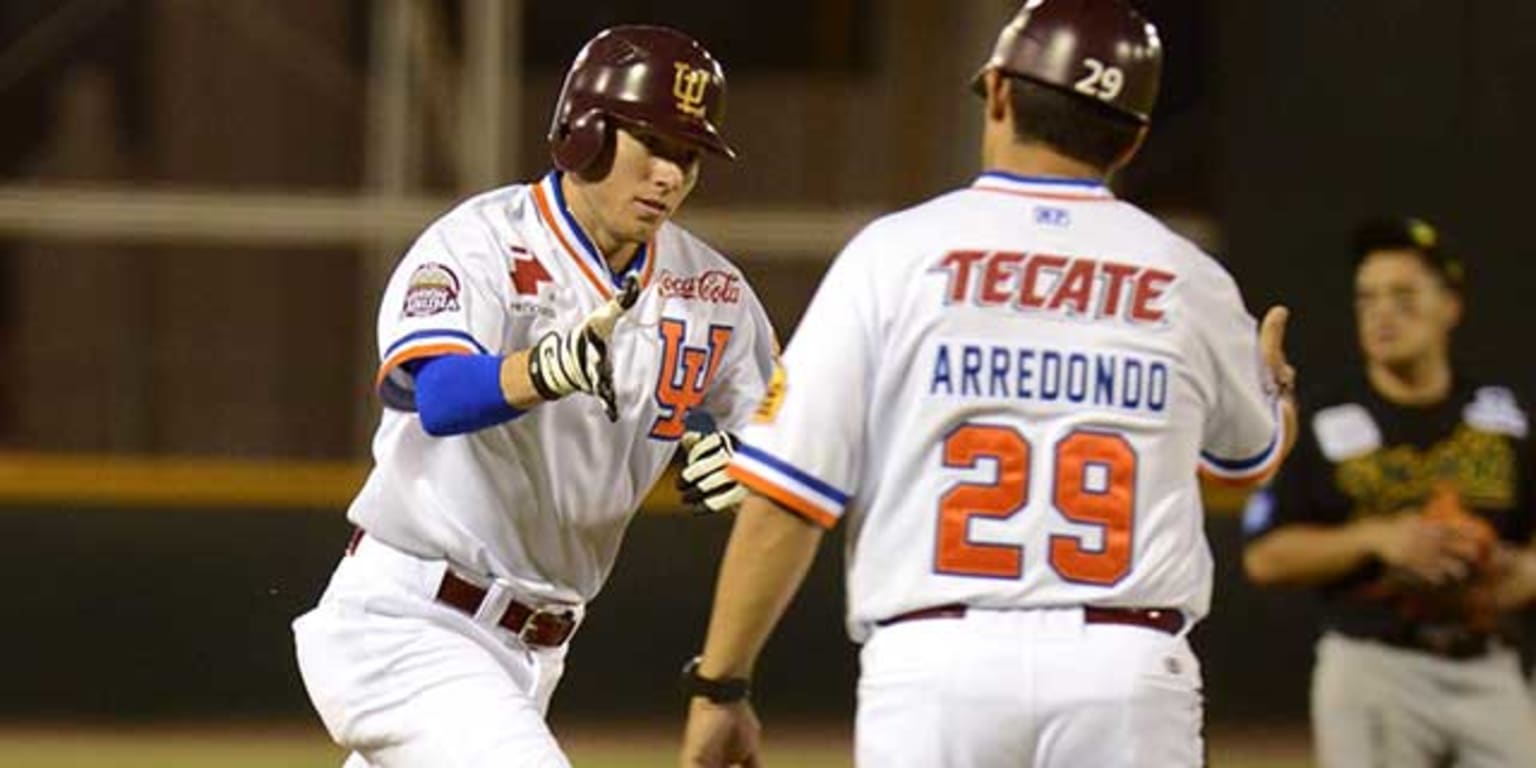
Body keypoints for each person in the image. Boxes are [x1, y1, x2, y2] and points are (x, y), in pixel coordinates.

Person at [676, 1, 1296, 766]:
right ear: (1133, 136)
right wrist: (1277, 390)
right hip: (1126, 670)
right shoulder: (1188, 277)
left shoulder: (894, 256)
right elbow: (1249, 459)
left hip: (937, 667)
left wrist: (721, 685)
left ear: (1000, 92)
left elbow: (788, 496)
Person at [292, 25, 776, 768]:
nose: (670, 174)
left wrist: (747, 460)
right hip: (409, 621)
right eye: (652, 143)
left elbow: (786, 439)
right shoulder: (481, 242)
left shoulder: (712, 293)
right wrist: (541, 370)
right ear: (584, 132)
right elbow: (438, 394)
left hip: (533, 653)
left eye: (688, 154)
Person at [1242, 216, 1536, 767]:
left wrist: (1517, 573)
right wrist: (1377, 539)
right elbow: (1265, 557)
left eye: (1403, 296)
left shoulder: (1508, 418)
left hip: (1490, 664)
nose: (1382, 313)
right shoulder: (1322, 421)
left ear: (1450, 306)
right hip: (1375, 668)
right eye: (1368, 298)